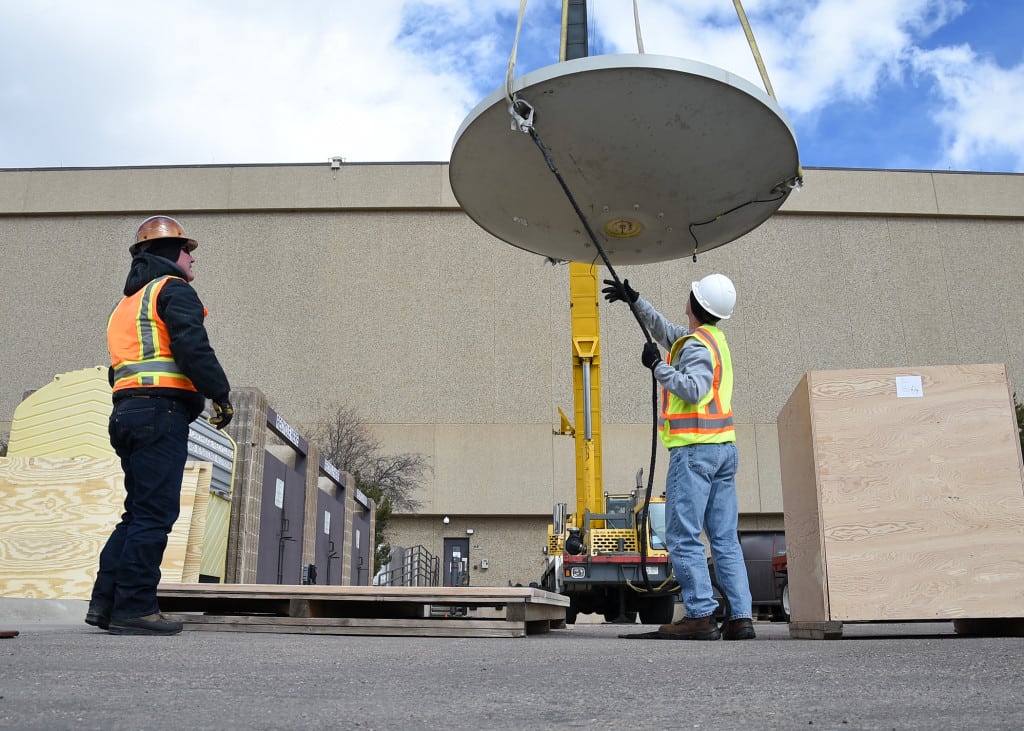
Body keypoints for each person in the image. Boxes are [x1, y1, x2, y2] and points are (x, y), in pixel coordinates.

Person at [87, 215, 234, 636]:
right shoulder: (173, 290)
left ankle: (105, 605)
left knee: (135, 514)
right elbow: (191, 345)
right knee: (154, 514)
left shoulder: (125, 305)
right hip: (160, 413)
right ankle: (135, 607)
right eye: (188, 251)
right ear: (172, 254)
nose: (193, 260)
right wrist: (218, 394)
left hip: (126, 412)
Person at [603, 273, 754, 641]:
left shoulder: (697, 347)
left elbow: (694, 388)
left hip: (695, 452)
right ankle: (740, 617)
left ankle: (701, 614)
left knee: (682, 536)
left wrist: (658, 368)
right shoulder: (709, 339)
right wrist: (636, 302)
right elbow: (667, 332)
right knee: (723, 538)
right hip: (722, 450)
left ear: (693, 302)